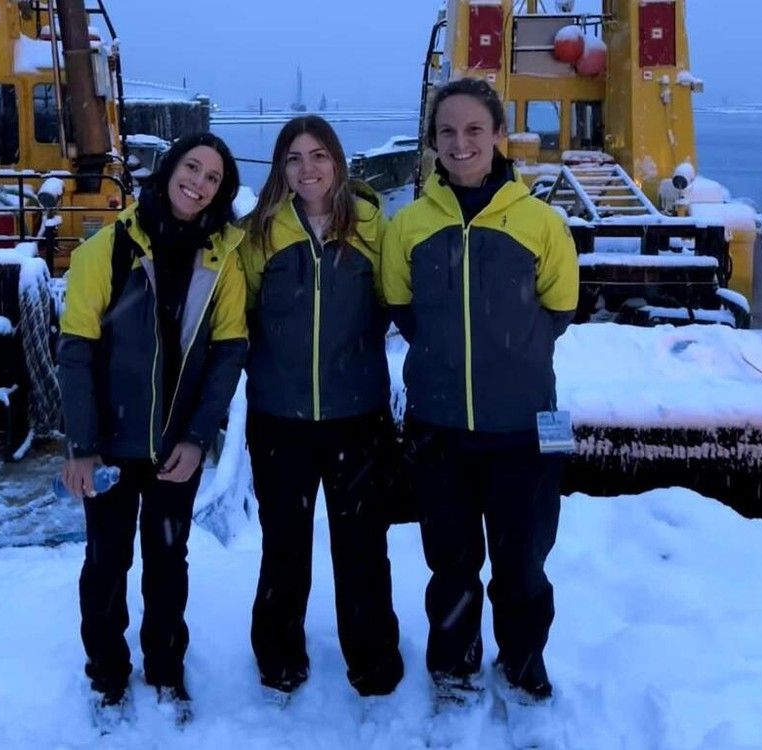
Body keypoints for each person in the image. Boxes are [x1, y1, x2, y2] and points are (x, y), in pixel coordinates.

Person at [381, 79, 579, 703]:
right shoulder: (409, 225)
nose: (460, 143)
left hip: (526, 428)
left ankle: (523, 662)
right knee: (452, 561)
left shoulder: (541, 223)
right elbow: (401, 309)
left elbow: (560, 309)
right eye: (447, 132)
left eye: (473, 130)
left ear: (498, 135)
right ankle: (454, 662)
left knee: (523, 565)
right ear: (433, 142)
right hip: (439, 429)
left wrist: (503, 359)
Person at [57, 132, 247, 715]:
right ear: (169, 169)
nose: (199, 183)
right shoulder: (105, 251)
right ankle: (107, 674)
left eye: (213, 178)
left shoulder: (221, 259)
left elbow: (227, 355)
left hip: (175, 449)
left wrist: (197, 439)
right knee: (106, 561)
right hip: (111, 446)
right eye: (192, 167)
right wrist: (82, 446)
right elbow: (77, 352)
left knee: (168, 562)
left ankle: (166, 669)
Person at [239, 115, 404, 699]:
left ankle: (372, 654)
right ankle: (279, 652)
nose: (307, 169)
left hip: (356, 415)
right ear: (280, 170)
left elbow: (393, 302)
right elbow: (244, 314)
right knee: (284, 541)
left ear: (338, 161)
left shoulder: (372, 228)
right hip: (279, 417)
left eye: (318, 155)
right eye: (293, 158)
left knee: (362, 542)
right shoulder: (259, 233)